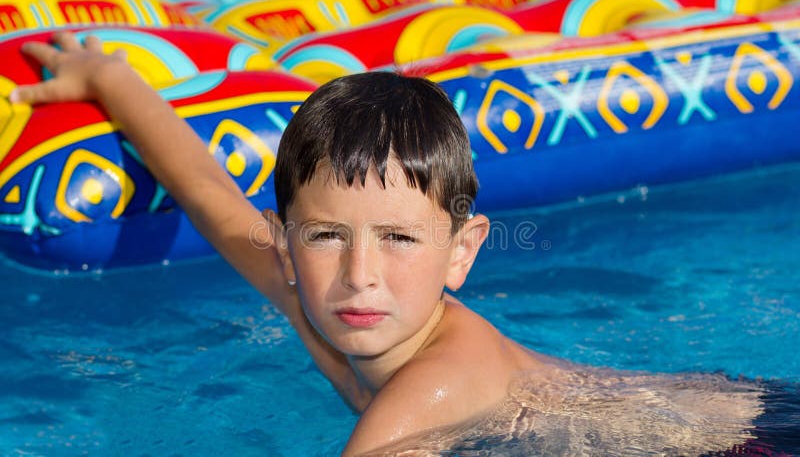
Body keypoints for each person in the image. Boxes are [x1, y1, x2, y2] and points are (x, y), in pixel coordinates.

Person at [11, 32, 763, 455]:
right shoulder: (319, 291)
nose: (359, 274)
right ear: (284, 241)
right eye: (328, 235)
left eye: (400, 237)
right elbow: (210, 197)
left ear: (462, 250)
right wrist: (112, 79)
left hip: (740, 438)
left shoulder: (422, 394)